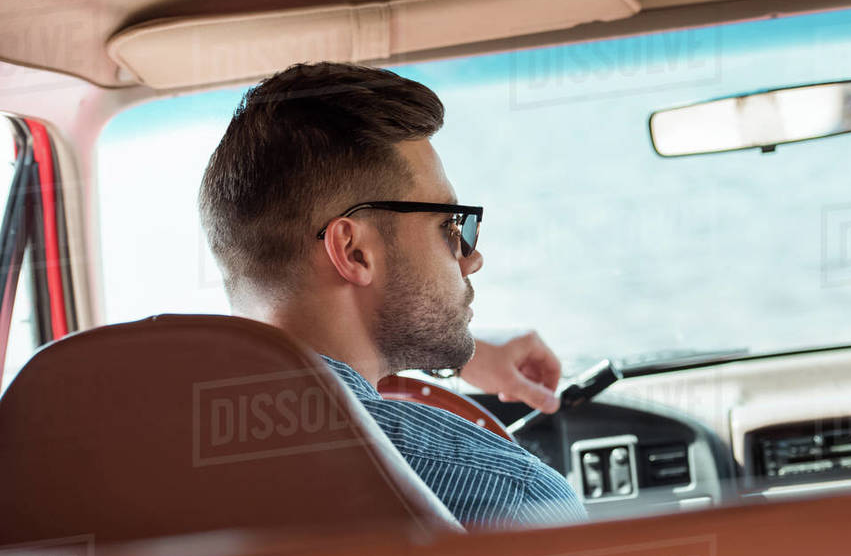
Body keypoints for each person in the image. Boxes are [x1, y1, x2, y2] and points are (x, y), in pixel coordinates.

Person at [199, 62, 586, 529]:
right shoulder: (509, 496)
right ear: (353, 250)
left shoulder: (126, 439)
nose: (471, 258)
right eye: (450, 225)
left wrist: (463, 353)